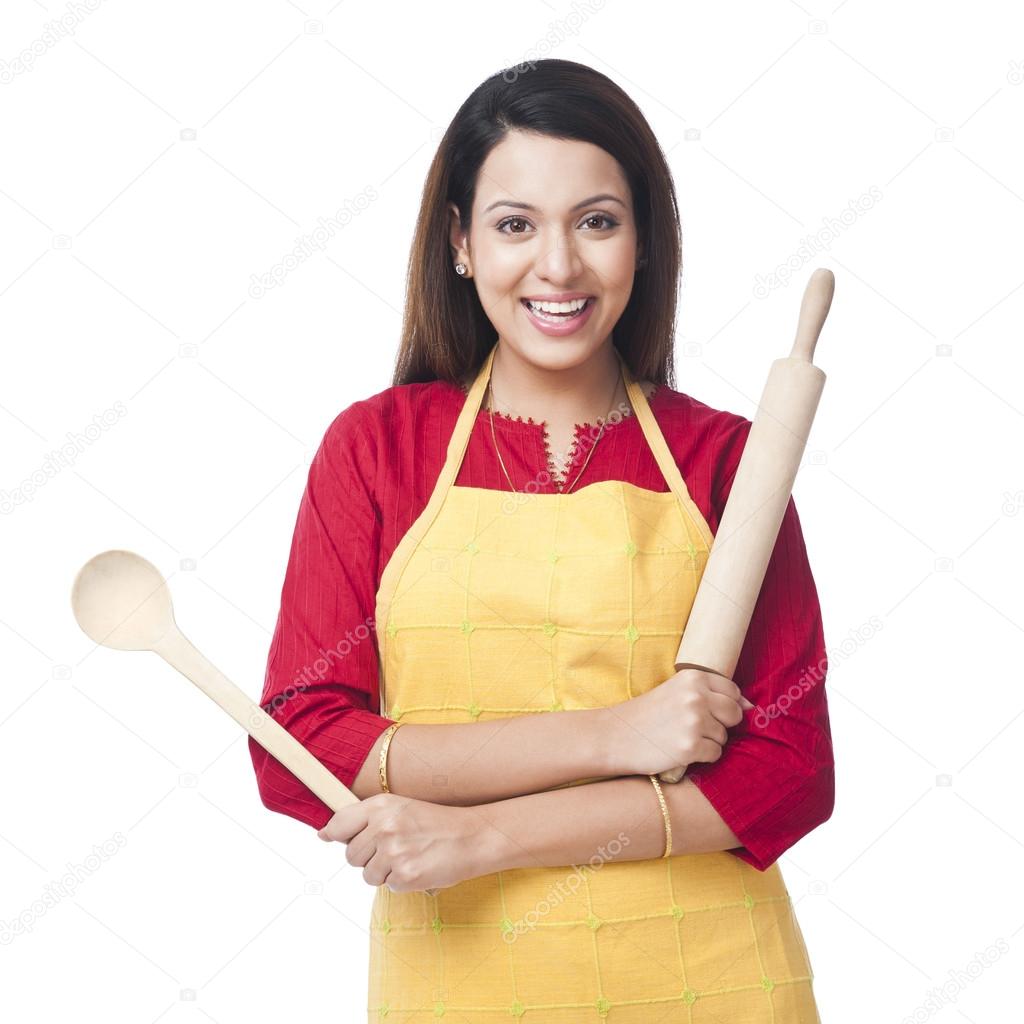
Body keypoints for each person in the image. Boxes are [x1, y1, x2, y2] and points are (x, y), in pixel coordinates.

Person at [250, 58, 834, 1022]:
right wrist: (614, 735)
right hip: (466, 986)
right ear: (461, 244)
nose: (558, 266)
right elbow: (301, 744)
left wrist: (483, 840)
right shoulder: (378, 451)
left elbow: (790, 771)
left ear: (643, 241)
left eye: (596, 221)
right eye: (515, 224)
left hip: (715, 982)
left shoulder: (727, 462)